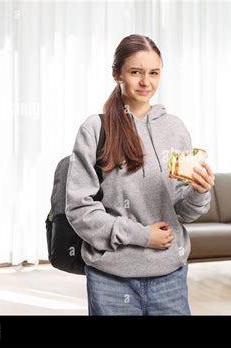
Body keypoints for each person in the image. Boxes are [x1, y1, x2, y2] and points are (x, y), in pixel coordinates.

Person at [65, 34, 215, 315]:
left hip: (170, 275)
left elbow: (182, 211)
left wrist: (199, 191)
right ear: (117, 74)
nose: (146, 82)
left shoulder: (175, 128)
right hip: (111, 279)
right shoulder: (95, 130)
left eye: (154, 73)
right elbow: (79, 210)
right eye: (136, 72)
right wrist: (142, 236)